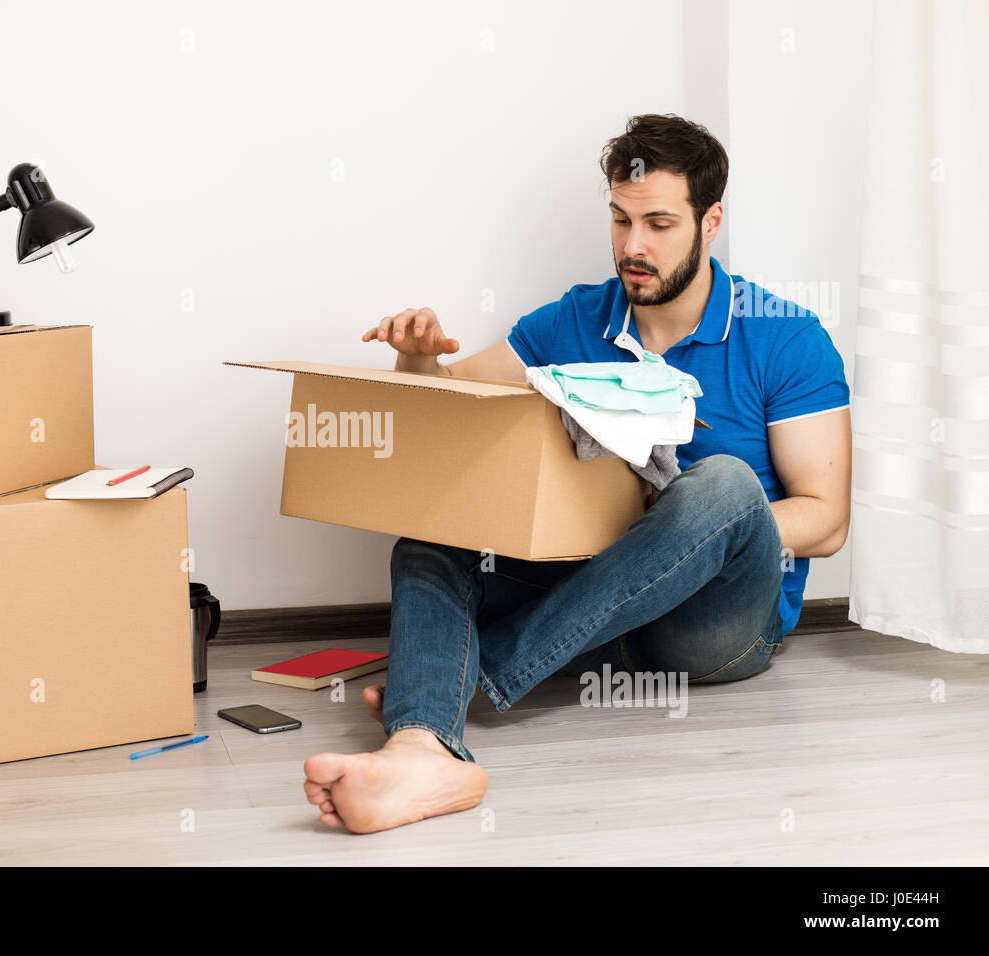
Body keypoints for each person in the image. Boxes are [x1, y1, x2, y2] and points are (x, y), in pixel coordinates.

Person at [302, 113, 853, 834]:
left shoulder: (784, 337)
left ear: (710, 221)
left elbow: (828, 519)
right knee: (428, 541)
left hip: (712, 626)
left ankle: (467, 674)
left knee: (720, 484)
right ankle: (423, 751)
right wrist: (419, 359)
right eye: (621, 221)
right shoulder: (573, 319)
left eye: (659, 223)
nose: (634, 246)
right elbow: (447, 410)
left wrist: (681, 526)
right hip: (587, 607)